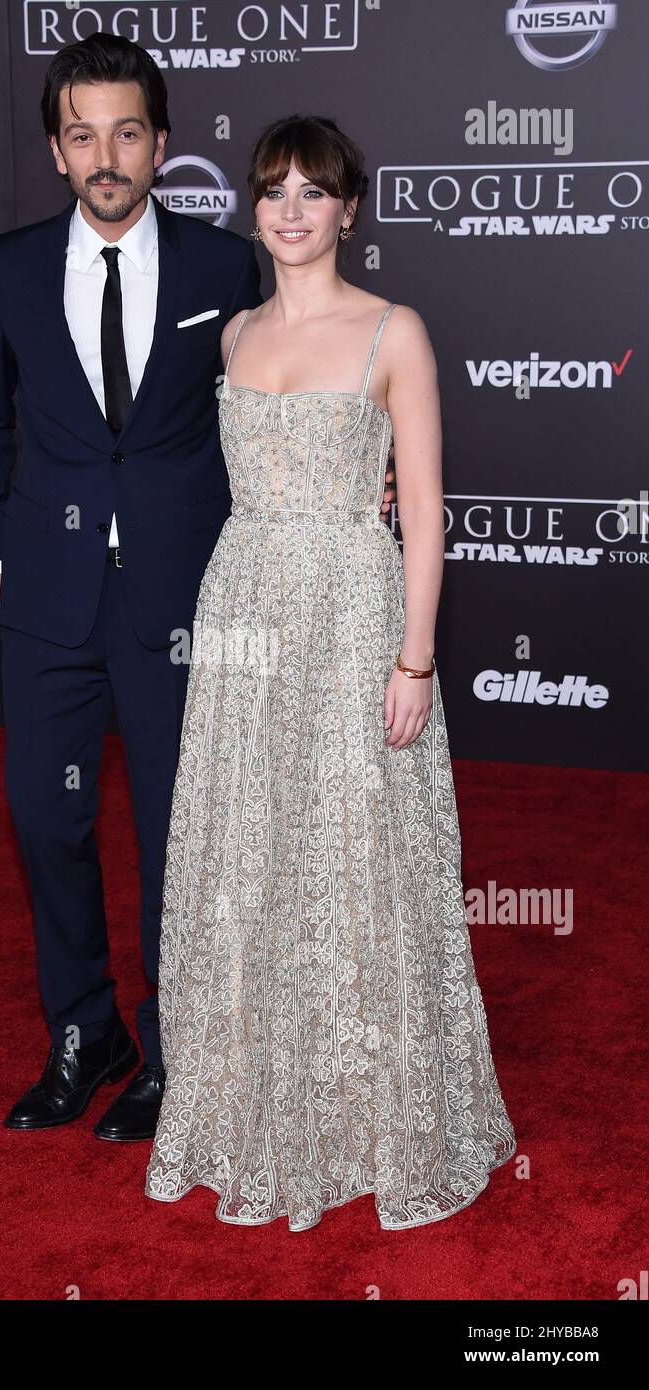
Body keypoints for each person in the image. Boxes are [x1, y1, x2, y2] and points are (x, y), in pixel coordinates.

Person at [0, 35, 401, 1143]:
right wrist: (1, 560)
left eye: (126, 133)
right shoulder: (7, 267)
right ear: (56, 150)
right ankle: (83, 1032)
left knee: (181, 830)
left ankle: (175, 1047)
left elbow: (287, 384)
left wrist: (358, 474)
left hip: (189, 599)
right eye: (82, 136)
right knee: (45, 817)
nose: (105, 157)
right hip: (46, 597)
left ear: (160, 143)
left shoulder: (221, 265)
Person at [145, 115, 516, 1230]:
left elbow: (425, 513)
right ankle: (251, 1098)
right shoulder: (233, 333)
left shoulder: (393, 331)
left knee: (356, 848)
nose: (291, 211)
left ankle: (368, 1107)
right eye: (273, 191)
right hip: (241, 604)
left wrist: (415, 660)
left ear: (348, 209)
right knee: (247, 840)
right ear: (252, 208)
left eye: (314, 191)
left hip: (353, 611)